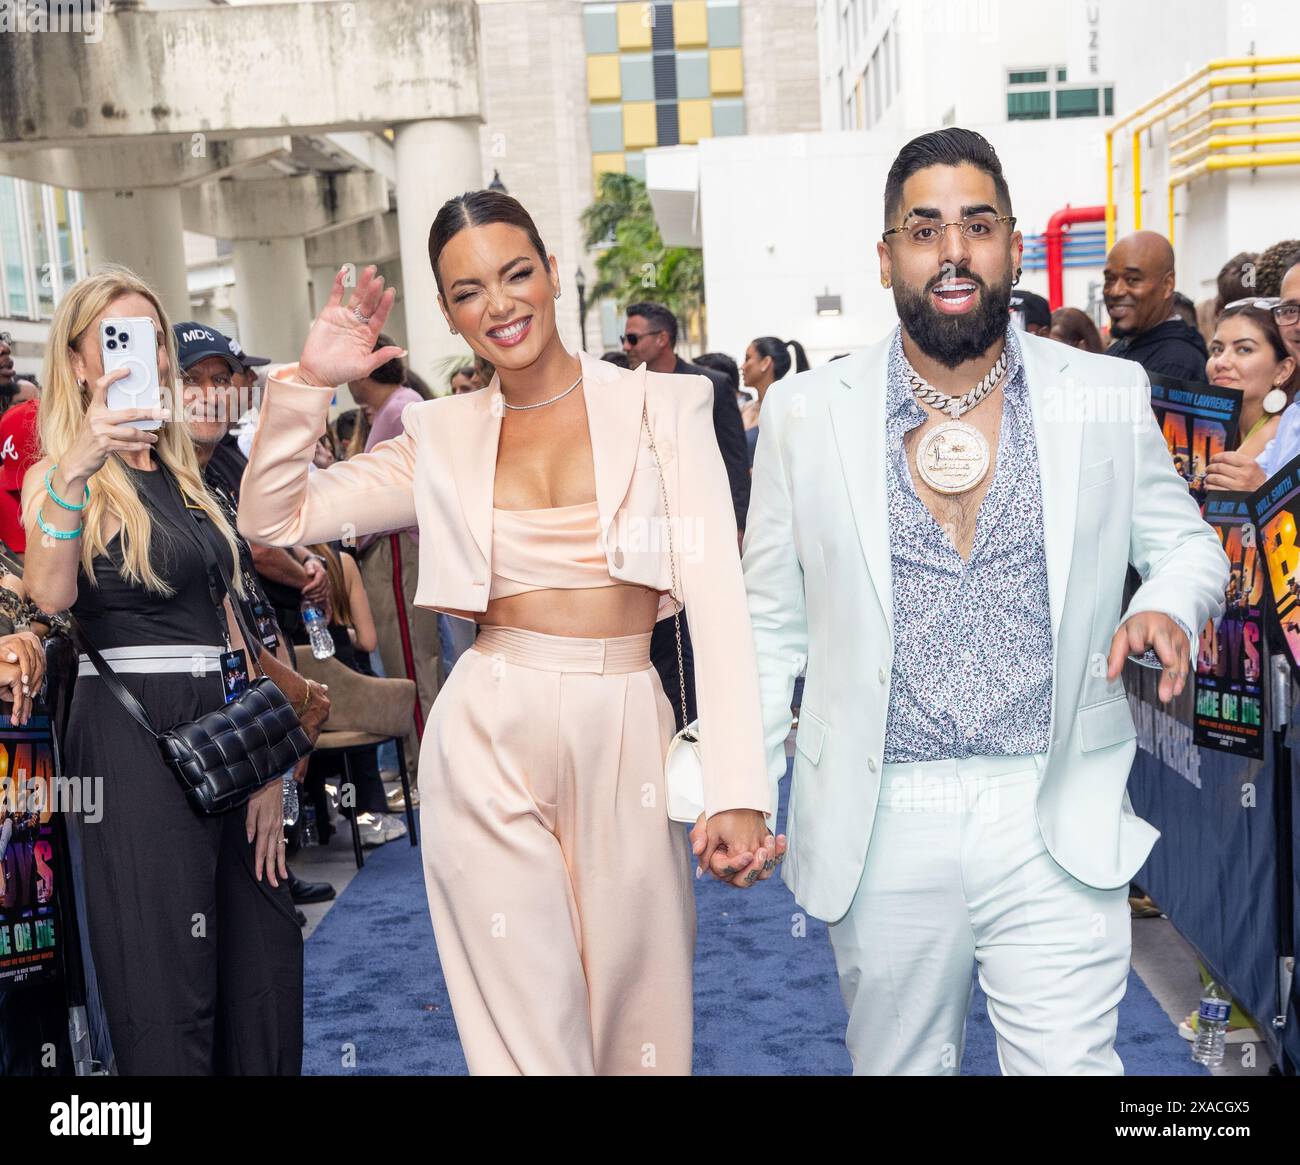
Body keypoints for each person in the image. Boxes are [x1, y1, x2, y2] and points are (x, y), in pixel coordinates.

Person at [237, 190, 782, 1076]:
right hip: (488, 727)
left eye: (516, 272)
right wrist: (309, 383)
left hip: (627, 725)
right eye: (466, 291)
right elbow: (276, 510)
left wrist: (738, 785)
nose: (498, 304)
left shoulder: (666, 408)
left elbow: (719, 599)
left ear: (553, 273)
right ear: (448, 312)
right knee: (531, 1036)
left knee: (638, 1031)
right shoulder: (437, 432)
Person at [740, 127, 1229, 1075]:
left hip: (1050, 802)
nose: (953, 249)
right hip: (882, 810)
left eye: (978, 224)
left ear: (1011, 246)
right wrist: (744, 787)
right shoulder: (806, 412)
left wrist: (1167, 601)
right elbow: (771, 621)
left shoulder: (1103, 391)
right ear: (886, 257)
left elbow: (1185, 545)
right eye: (924, 229)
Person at [21, 266, 308, 1075]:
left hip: (222, 722)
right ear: (78, 361)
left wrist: (264, 766)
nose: (136, 354)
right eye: (115, 341)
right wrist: (79, 467)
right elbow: (49, 592)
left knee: (264, 962)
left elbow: (232, 625)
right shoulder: (58, 477)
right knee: (163, 977)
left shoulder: (186, 475)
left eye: (149, 340)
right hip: (128, 737)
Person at [175, 321, 338, 906]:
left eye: (223, 379)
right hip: (208, 706)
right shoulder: (156, 479)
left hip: (257, 665)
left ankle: (278, 876)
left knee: (261, 880)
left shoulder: (219, 471)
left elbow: (251, 574)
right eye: (191, 380)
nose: (211, 393)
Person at [349, 334, 443, 783]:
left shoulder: (399, 408)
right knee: (409, 661)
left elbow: (383, 494)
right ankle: (421, 766)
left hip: (396, 546)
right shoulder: (396, 407)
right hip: (391, 548)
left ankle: (426, 770)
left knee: (411, 662)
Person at [1202, 301, 1297, 492]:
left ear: (1283, 370)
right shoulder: (1215, 428)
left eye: (1244, 349)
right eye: (1217, 349)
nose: (1222, 362)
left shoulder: (1281, 429)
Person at [1104, 230, 1209, 383]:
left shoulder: (1177, 364)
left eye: (1132, 279)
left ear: (1167, 285)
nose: (1116, 291)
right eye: (1110, 279)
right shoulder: (1121, 349)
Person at [1238, 264, 1300, 482]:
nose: (1298, 326)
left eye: (1244, 349)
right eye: (1290, 310)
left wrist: (1260, 490)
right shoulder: (1293, 413)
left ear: (1282, 369)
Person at [739, 338, 809, 468]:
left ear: (765, 363)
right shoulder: (746, 408)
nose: (742, 367)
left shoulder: (787, 411)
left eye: (747, 359)